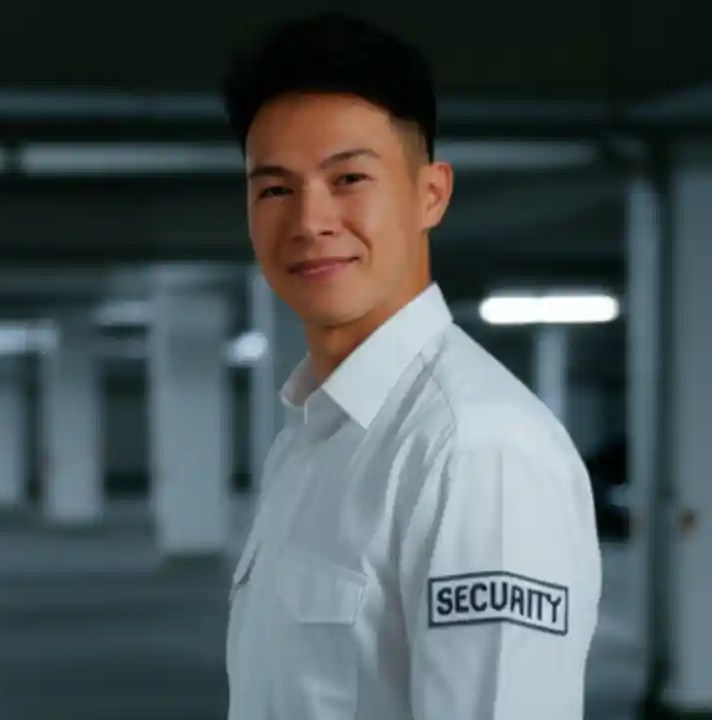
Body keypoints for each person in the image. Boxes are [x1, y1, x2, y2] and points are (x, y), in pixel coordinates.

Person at [219, 12, 602, 719]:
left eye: (349, 178)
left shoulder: (475, 451)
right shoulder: (307, 440)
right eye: (274, 188)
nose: (309, 220)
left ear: (431, 194)